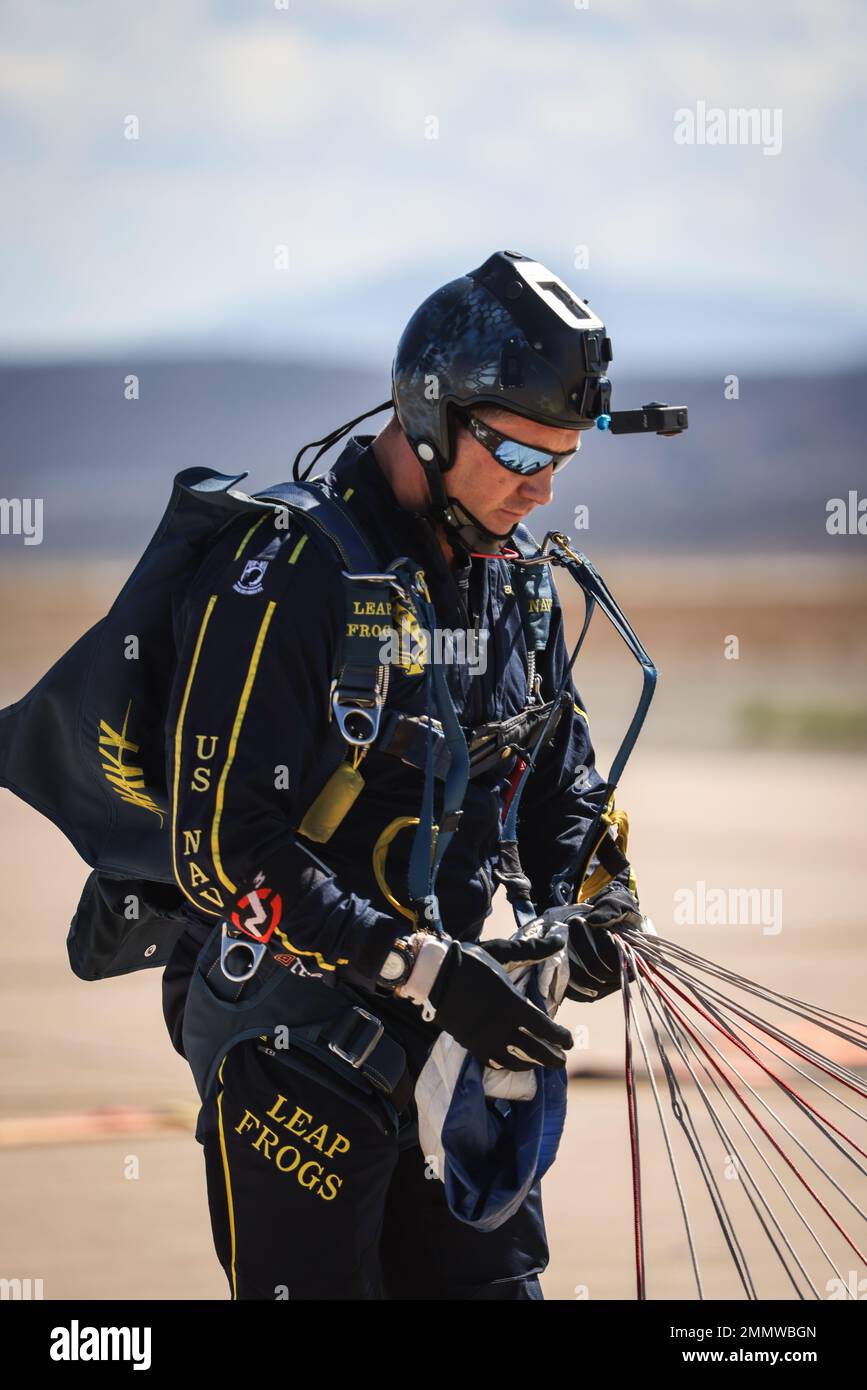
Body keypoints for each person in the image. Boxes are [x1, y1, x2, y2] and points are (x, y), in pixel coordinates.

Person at [160, 250, 648, 1300]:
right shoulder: (296, 574)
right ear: (433, 416)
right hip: (300, 1050)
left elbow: (563, 776)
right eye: (519, 450)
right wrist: (419, 967)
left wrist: (594, 899)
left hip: (464, 1053)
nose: (541, 486)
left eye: (562, 460)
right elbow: (221, 853)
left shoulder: (511, 581)